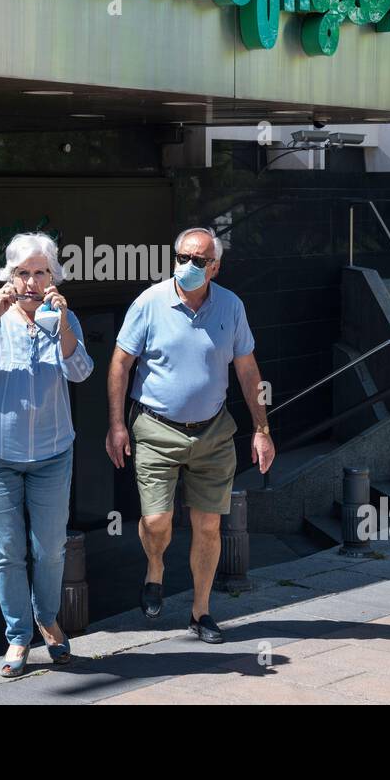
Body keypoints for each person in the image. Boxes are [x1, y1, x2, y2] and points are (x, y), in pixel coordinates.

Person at [105, 226, 276, 644]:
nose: (188, 266)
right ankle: (156, 568)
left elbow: (248, 369)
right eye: (182, 257)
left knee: (208, 527)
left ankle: (201, 612)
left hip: (213, 432)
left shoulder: (231, 307)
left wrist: (262, 430)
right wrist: (116, 425)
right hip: (156, 429)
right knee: (157, 521)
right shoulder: (149, 303)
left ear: (215, 267)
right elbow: (120, 364)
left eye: (198, 260)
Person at [0, 232, 94, 677]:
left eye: (40, 272)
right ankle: (18, 637)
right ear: (9, 276)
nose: (31, 281)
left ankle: (47, 619)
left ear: (52, 276)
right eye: (22, 273)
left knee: (50, 547)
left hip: (52, 452)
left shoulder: (61, 320)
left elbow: (81, 370)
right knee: (8, 550)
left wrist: (65, 322)